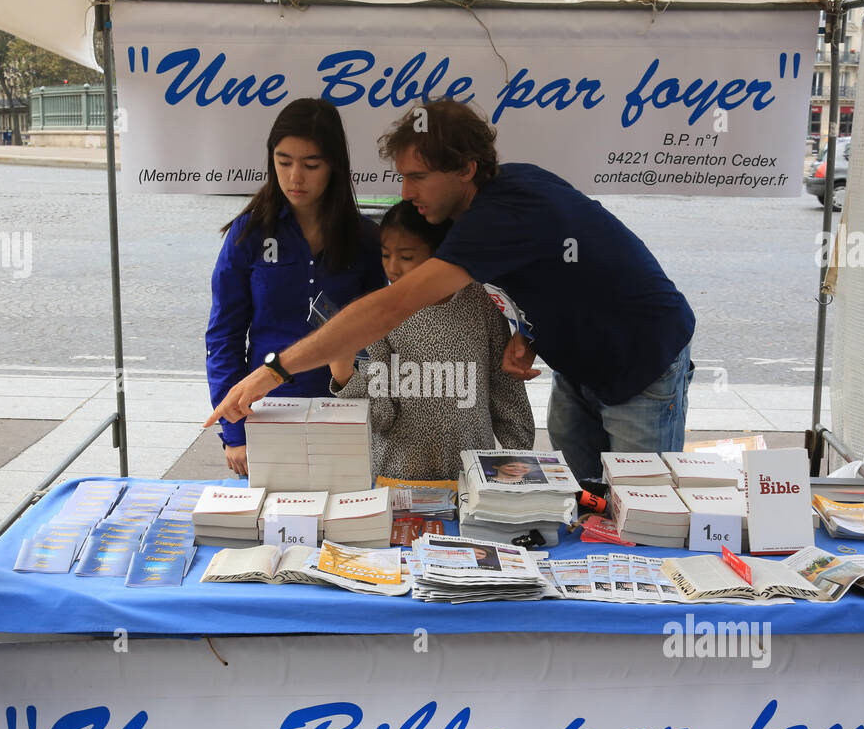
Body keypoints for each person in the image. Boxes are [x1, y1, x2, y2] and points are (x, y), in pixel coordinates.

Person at [207, 99, 697, 483]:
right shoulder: (496, 197)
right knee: (584, 499)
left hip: (643, 365)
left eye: (417, 177)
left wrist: (274, 370)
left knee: (641, 509)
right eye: (402, 176)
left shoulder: (498, 215)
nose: (404, 194)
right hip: (580, 368)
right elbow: (561, 271)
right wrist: (529, 331)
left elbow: (392, 307)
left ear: (465, 169)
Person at [207, 98, 386, 477]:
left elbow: (379, 337)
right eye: (283, 161)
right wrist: (234, 431)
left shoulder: (365, 237)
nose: (294, 178)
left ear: (334, 165)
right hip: (266, 415)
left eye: (310, 165)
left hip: (346, 416)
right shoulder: (249, 234)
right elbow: (223, 336)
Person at [328, 200, 534, 480]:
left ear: (441, 254)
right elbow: (382, 416)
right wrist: (344, 375)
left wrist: (520, 461)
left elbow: (505, 390)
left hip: (470, 475)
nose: (392, 267)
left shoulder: (482, 302)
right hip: (400, 477)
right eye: (386, 255)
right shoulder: (381, 312)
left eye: (407, 256)